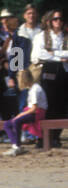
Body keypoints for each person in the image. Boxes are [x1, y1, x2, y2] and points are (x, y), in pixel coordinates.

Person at [31, 9, 67, 146]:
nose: (58, 21)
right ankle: (42, 138)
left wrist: (54, 53)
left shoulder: (66, 36)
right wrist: (60, 57)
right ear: (49, 21)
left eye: (60, 19)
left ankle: (56, 137)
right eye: (55, 19)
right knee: (46, 105)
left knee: (61, 106)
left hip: (64, 74)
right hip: (47, 74)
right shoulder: (41, 36)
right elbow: (38, 55)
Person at [3, 66, 47, 155]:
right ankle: (15, 145)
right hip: (32, 111)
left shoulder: (35, 89)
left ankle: (17, 146)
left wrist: (20, 115)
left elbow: (34, 108)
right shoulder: (31, 88)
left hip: (37, 113)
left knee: (17, 121)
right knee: (7, 124)